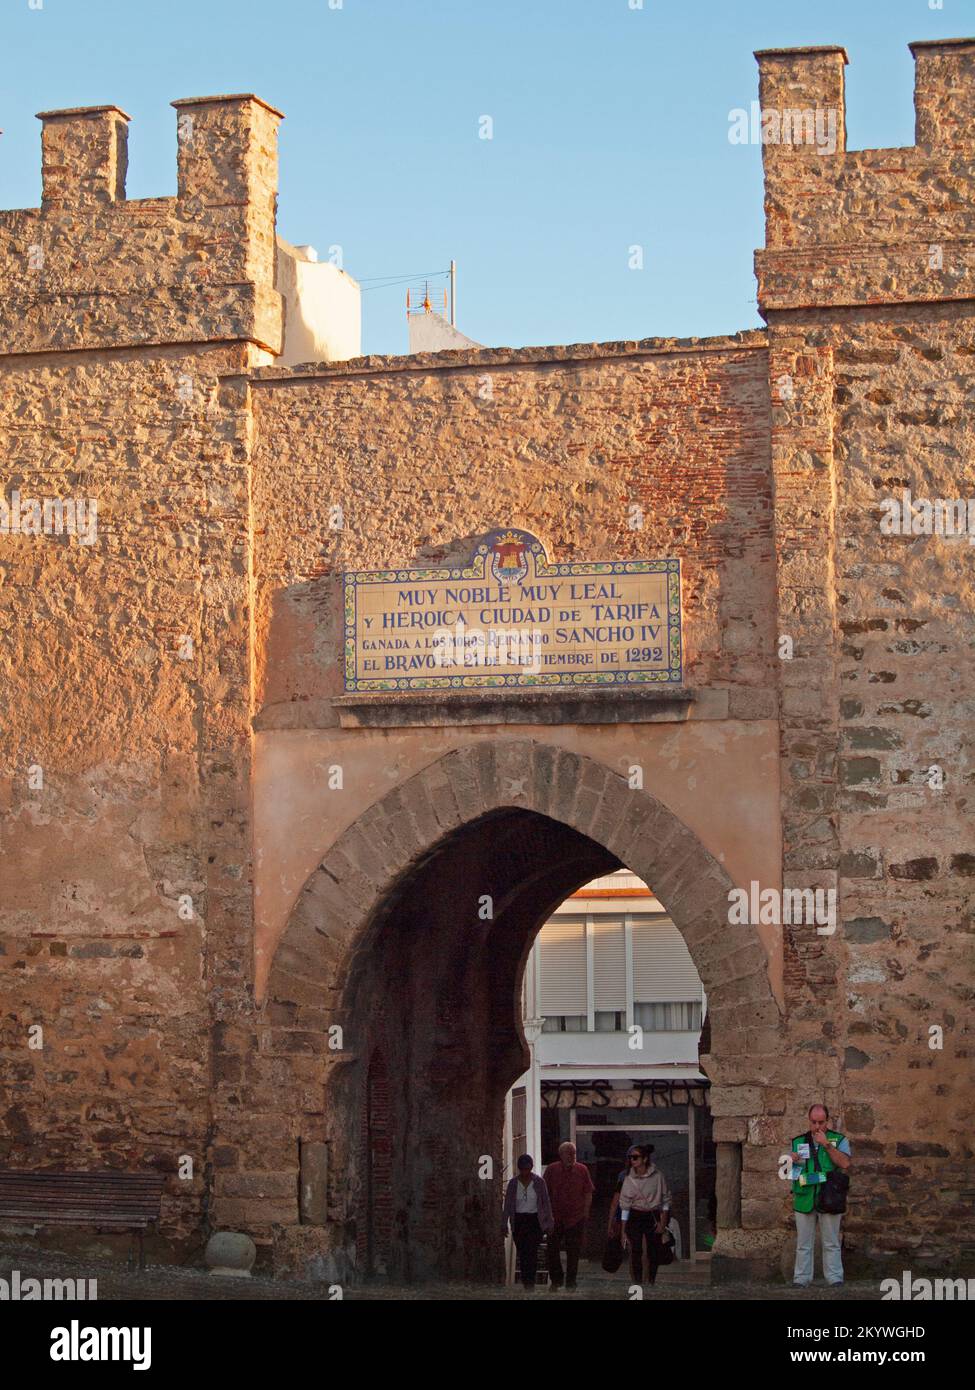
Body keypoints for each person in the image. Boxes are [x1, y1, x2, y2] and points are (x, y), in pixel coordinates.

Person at [787, 1102, 852, 1288]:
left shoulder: (839, 1140)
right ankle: (801, 1279)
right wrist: (791, 1162)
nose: (817, 1126)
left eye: (821, 1122)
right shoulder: (798, 1141)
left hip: (830, 1196)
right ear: (809, 1120)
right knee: (803, 1243)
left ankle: (835, 1278)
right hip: (805, 1196)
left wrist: (827, 1145)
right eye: (813, 1122)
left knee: (831, 1241)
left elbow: (845, 1164)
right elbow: (791, 1175)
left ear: (827, 1121)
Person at [543, 1141, 595, 1291]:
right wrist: (546, 1214)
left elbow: (588, 1192)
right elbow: (544, 1192)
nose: (572, 1156)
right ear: (561, 1155)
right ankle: (556, 1279)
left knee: (573, 1251)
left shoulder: (582, 1170)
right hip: (555, 1217)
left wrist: (585, 1213)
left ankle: (571, 1282)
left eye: (574, 1153)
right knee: (552, 1249)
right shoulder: (552, 1169)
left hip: (575, 1217)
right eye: (569, 1153)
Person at [619, 1143, 672, 1286]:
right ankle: (637, 1282)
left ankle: (651, 1280)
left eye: (635, 1157)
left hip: (652, 1214)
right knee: (636, 1249)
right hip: (635, 1214)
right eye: (630, 1157)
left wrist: (663, 1222)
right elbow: (625, 1205)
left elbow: (665, 1199)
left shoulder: (657, 1176)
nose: (632, 1160)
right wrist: (623, 1229)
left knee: (653, 1250)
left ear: (645, 1158)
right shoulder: (629, 1178)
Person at [502, 1153, 554, 1291]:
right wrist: (504, 1223)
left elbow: (546, 1202)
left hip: (534, 1220)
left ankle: (530, 1281)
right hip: (519, 1220)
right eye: (523, 1169)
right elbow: (508, 1204)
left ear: (531, 1168)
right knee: (522, 1251)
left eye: (527, 1168)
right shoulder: (513, 1184)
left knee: (532, 1251)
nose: (525, 1172)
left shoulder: (539, 1182)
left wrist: (549, 1222)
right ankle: (526, 1280)